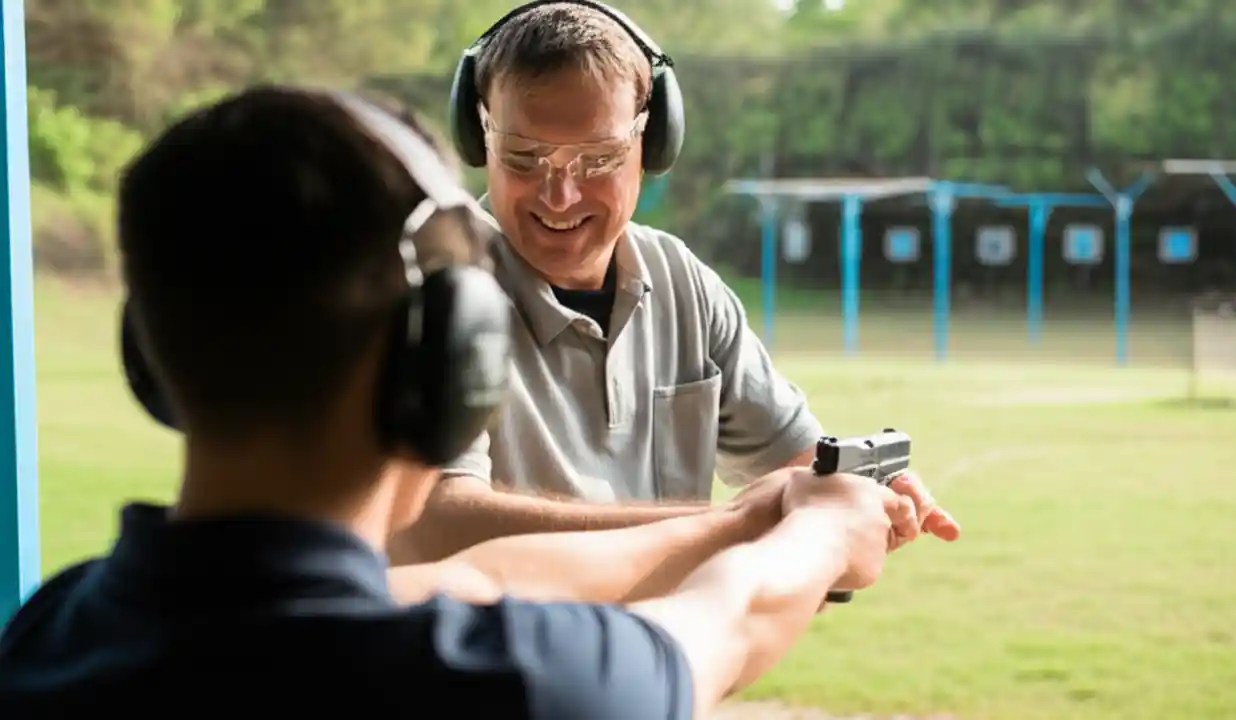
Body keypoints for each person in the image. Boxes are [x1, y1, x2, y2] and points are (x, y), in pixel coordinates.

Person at [0, 84, 931, 719]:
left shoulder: (54, 632)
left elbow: (468, 581)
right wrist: (815, 535)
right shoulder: (526, 686)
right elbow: (736, 618)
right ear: (451, 366)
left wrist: (754, 513)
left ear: (151, 356)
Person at [389, 0, 962, 564]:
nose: (559, 194)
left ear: (652, 144)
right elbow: (437, 520)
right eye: (522, 156)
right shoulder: (434, 288)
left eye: (598, 160)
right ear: (479, 136)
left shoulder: (681, 281)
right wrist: (736, 522)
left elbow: (792, 465)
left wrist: (854, 493)